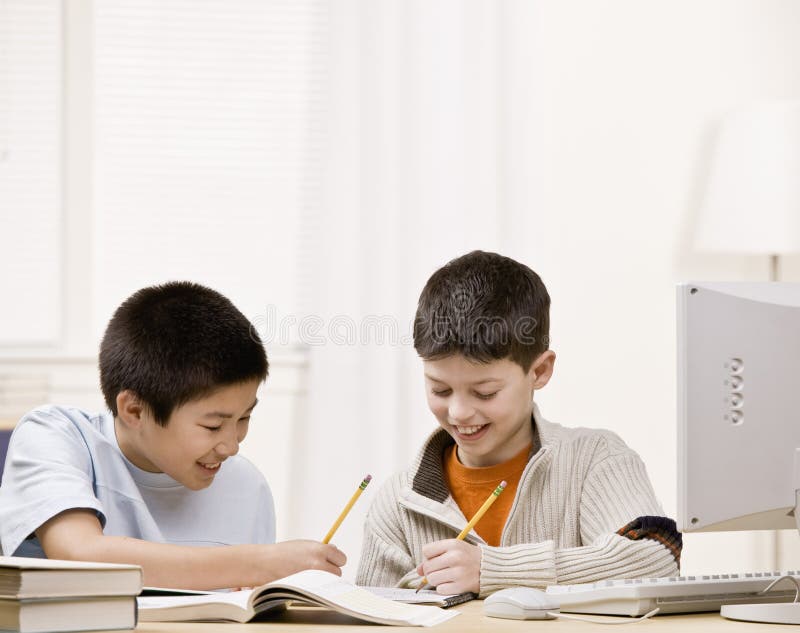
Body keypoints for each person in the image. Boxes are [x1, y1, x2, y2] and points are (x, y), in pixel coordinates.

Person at [356, 251, 681, 596]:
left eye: (485, 392)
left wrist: (493, 570)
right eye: (440, 389)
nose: (459, 411)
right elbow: (372, 614)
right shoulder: (398, 501)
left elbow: (658, 559)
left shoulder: (595, 461)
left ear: (539, 371)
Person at [0, 281, 345, 589]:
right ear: (134, 410)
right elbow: (78, 554)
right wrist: (260, 563)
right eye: (212, 426)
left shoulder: (246, 486)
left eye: (244, 417)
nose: (232, 445)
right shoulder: (57, 437)